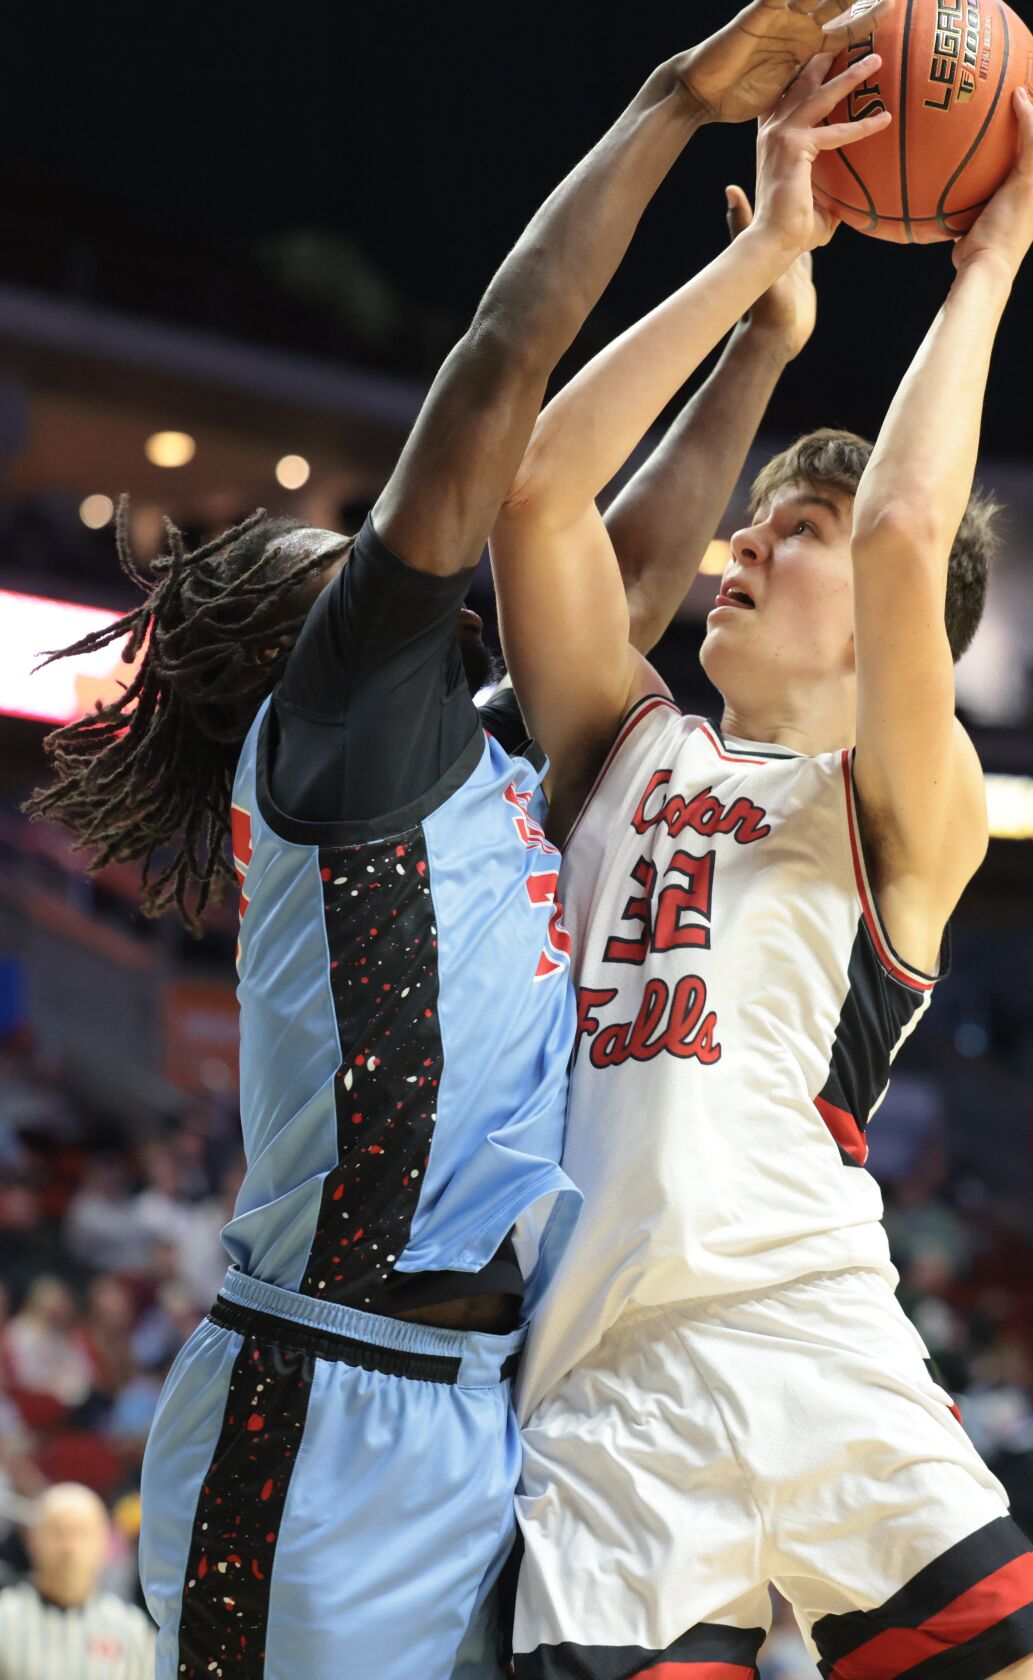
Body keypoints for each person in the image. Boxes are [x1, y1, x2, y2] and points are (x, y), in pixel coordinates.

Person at [25, 7, 890, 1675]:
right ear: (281, 638)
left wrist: (766, 334)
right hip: (314, 1404)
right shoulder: (334, 728)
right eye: (314, 551)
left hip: (472, 1410)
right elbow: (501, 363)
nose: (347, 547)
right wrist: (664, 108)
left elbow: (622, 582)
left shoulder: (470, 754)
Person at [490, 54, 1033, 1680]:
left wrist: (987, 264)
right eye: (748, 526)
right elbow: (537, 488)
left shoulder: (905, 800)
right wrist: (754, 269)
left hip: (816, 1333)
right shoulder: (624, 741)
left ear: (894, 634)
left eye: (787, 532)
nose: (738, 548)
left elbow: (907, 533)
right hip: (606, 1378)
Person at [0, 1483, 154, 1680]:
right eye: (57, 1532)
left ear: (104, 1544)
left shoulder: (133, 1631)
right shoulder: (5, 1619)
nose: (70, 1547)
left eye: (82, 1532)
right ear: (33, 1540)